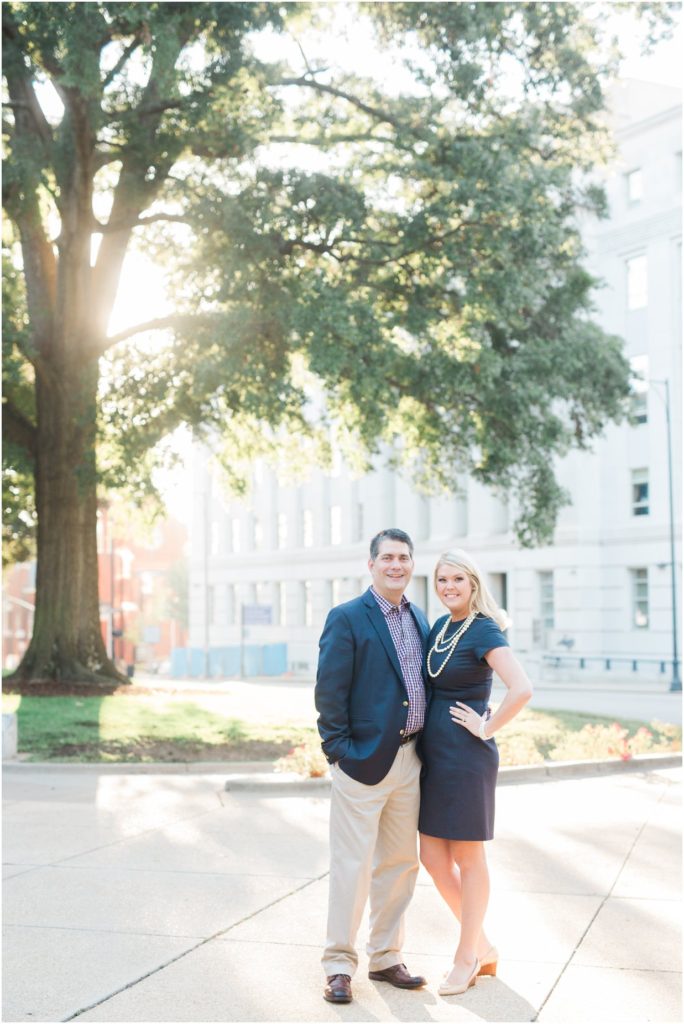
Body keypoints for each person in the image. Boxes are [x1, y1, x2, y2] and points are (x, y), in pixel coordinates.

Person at [315, 528, 430, 1005]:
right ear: (372, 565)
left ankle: (385, 956)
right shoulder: (347, 617)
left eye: (403, 557)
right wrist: (339, 752)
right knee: (352, 866)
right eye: (387, 557)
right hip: (362, 762)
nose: (396, 565)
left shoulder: (419, 617)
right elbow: (329, 691)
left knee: (400, 864)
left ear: (411, 564)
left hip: (410, 760)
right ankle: (339, 965)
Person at [418, 549, 533, 997]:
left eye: (457, 580)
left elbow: (521, 688)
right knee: (433, 858)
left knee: (469, 858)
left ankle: (466, 955)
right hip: (434, 758)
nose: (449, 587)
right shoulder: (441, 627)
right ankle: (483, 945)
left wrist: (487, 727)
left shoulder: (483, 628)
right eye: (442, 580)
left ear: (473, 584)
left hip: (466, 760)